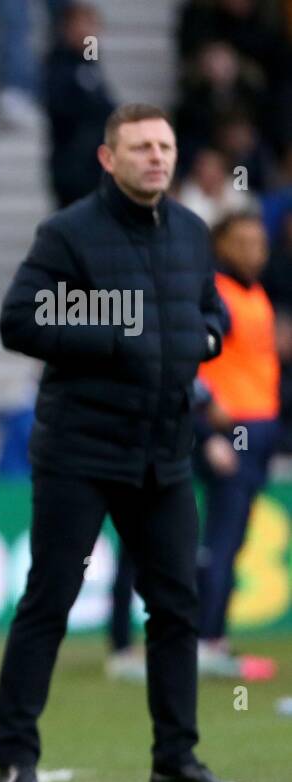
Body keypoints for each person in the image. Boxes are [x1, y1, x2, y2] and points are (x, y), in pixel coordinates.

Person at [0, 103, 253, 782]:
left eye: (165, 145)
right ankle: (15, 762)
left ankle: (176, 760)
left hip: (162, 451)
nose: (156, 157)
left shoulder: (194, 234)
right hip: (80, 448)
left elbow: (212, 315)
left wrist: (202, 339)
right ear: (109, 158)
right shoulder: (68, 232)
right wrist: (113, 331)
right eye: (140, 147)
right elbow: (19, 318)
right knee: (49, 599)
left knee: (177, 609)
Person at [195, 212, 280, 664]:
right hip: (234, 429)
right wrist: (207, 431)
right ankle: (206, 639)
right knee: (223, 535)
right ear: (221, 246)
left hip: (261, 427)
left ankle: (214, 637)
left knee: (237, 534)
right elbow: (191, 360)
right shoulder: (218, 297)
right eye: (241, 240)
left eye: (258, 240)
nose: (253, 249)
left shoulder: (255, 294)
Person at [44, 2, 116, 208]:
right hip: (71, 165)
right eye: (83, 26)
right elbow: (64, 107)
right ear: (67, 29)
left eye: (93, 27)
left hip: (96, 164)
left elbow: (103, 99)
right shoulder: (58, 64)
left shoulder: (90, 62)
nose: (89, 33)